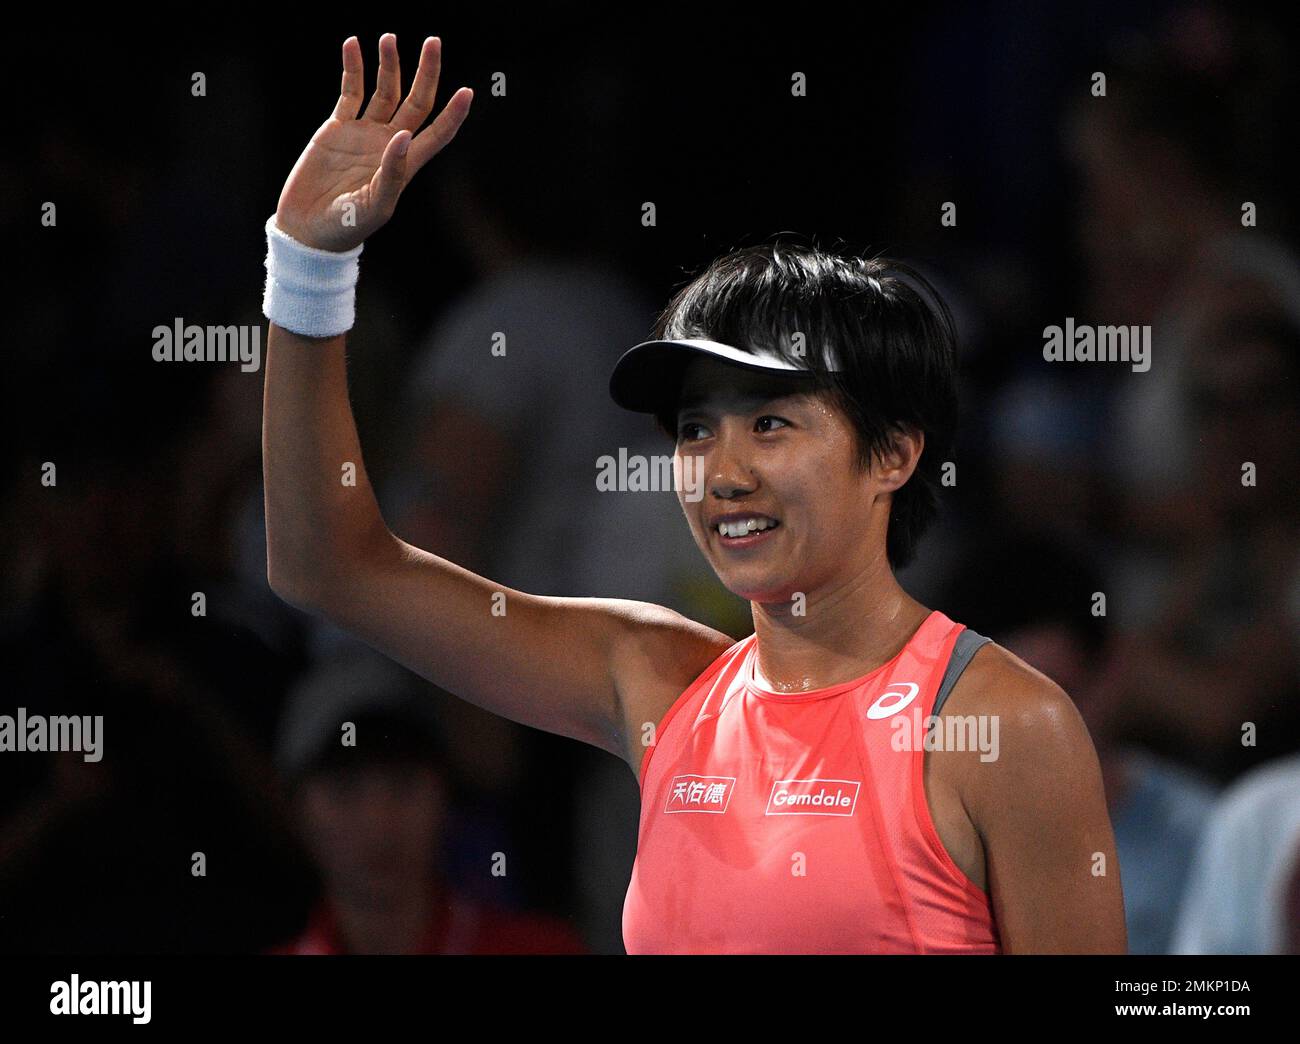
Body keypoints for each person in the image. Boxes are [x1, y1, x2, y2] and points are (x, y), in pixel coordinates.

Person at [261, 33, 1126, 953]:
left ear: (894, 455)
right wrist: (309, 269)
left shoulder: (1003, 725)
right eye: (696, 429)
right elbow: (328, 566)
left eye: (771, 423)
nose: (723, 471)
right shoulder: (657, 680)